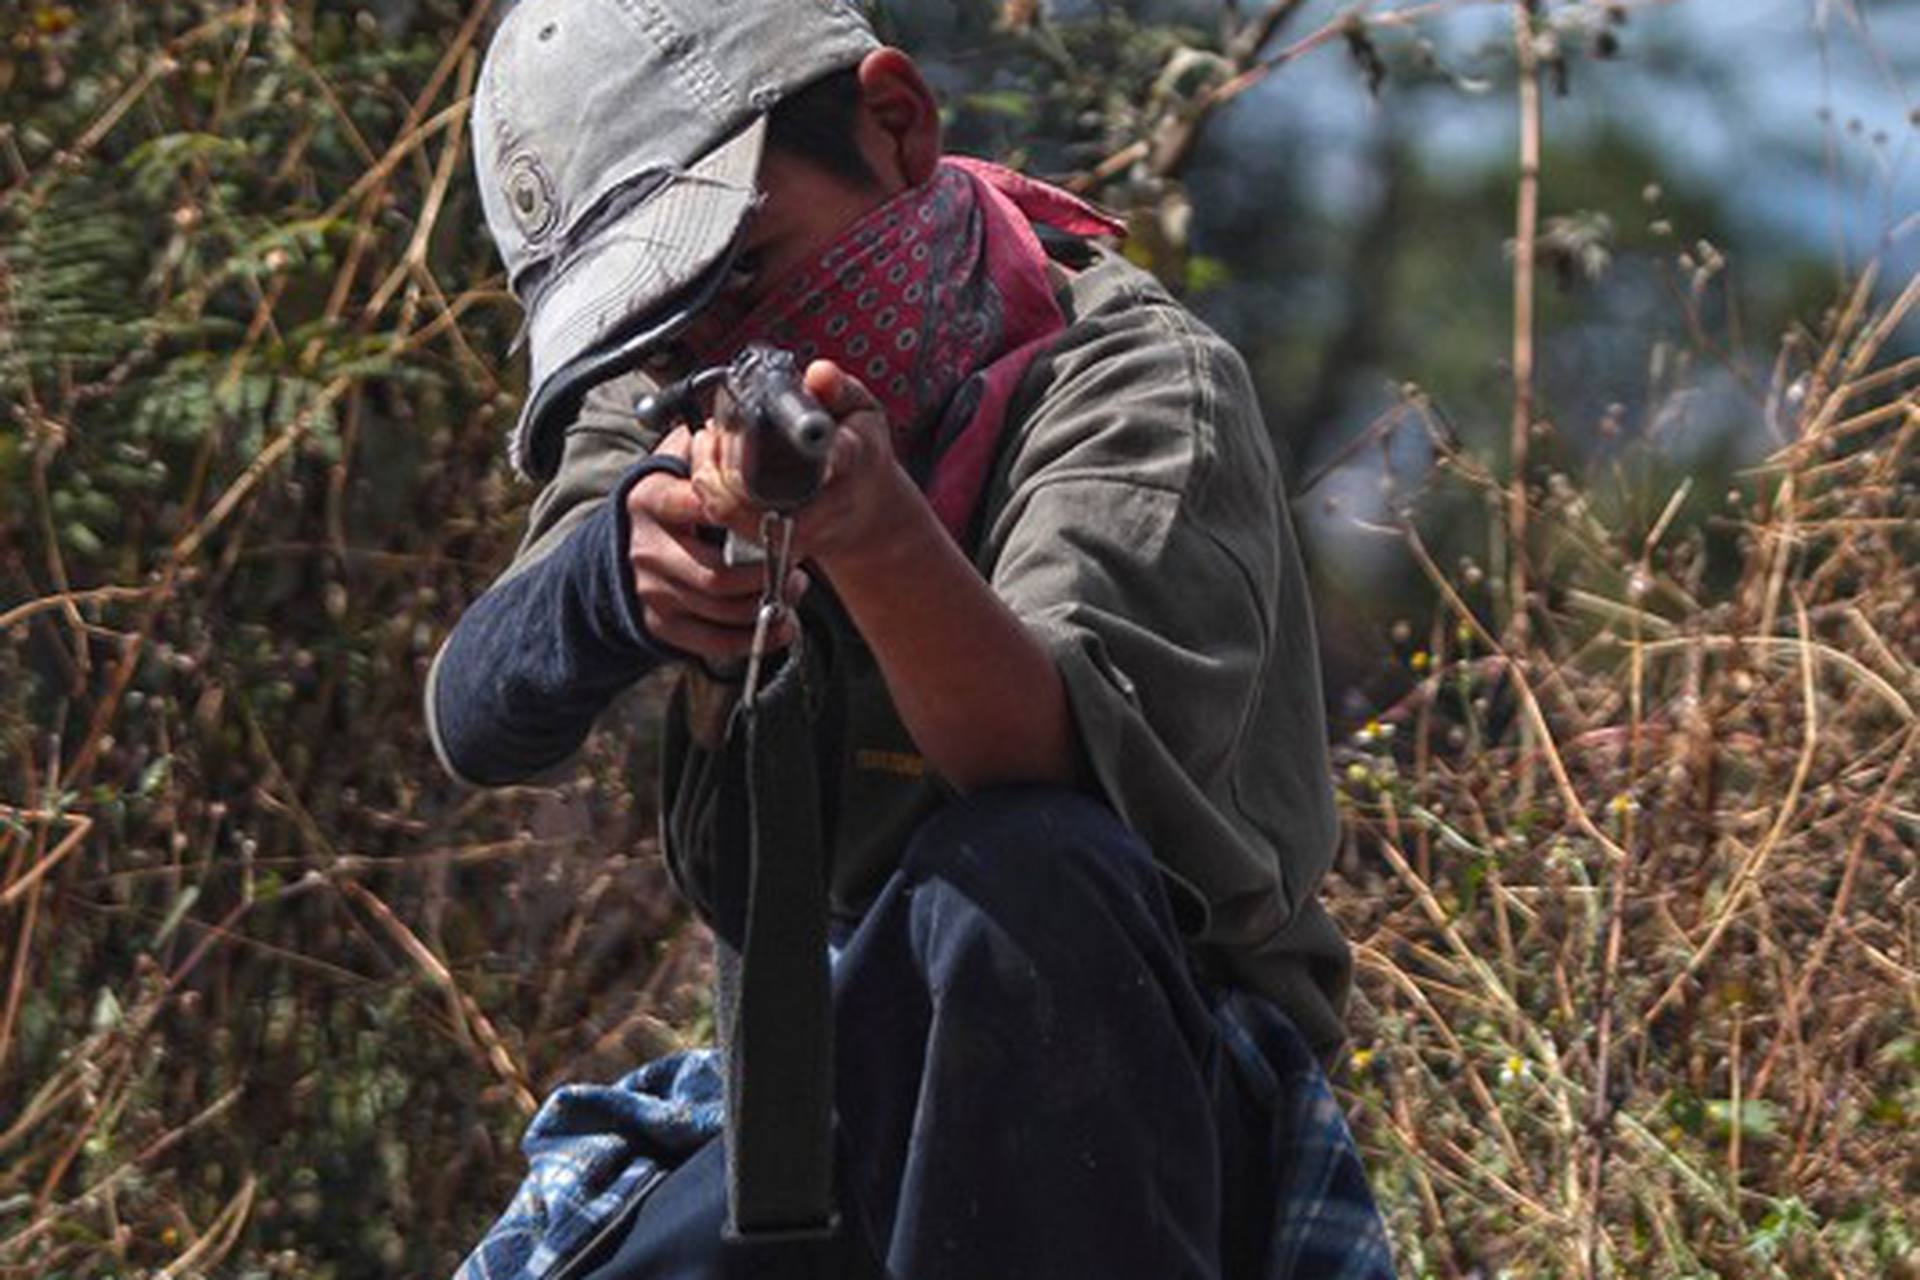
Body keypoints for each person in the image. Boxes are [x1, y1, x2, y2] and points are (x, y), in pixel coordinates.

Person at [429, 0, 1396, 1276]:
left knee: (1023, 871)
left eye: (739, 269)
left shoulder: (1134, 384)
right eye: (661, 328)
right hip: (817, 1102)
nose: (717, 349)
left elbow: (1048, 819)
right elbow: (476, 709)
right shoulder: (672, 384)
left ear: (895, 124)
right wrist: (616, 577)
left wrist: (875, 537)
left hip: (1139, 1119)